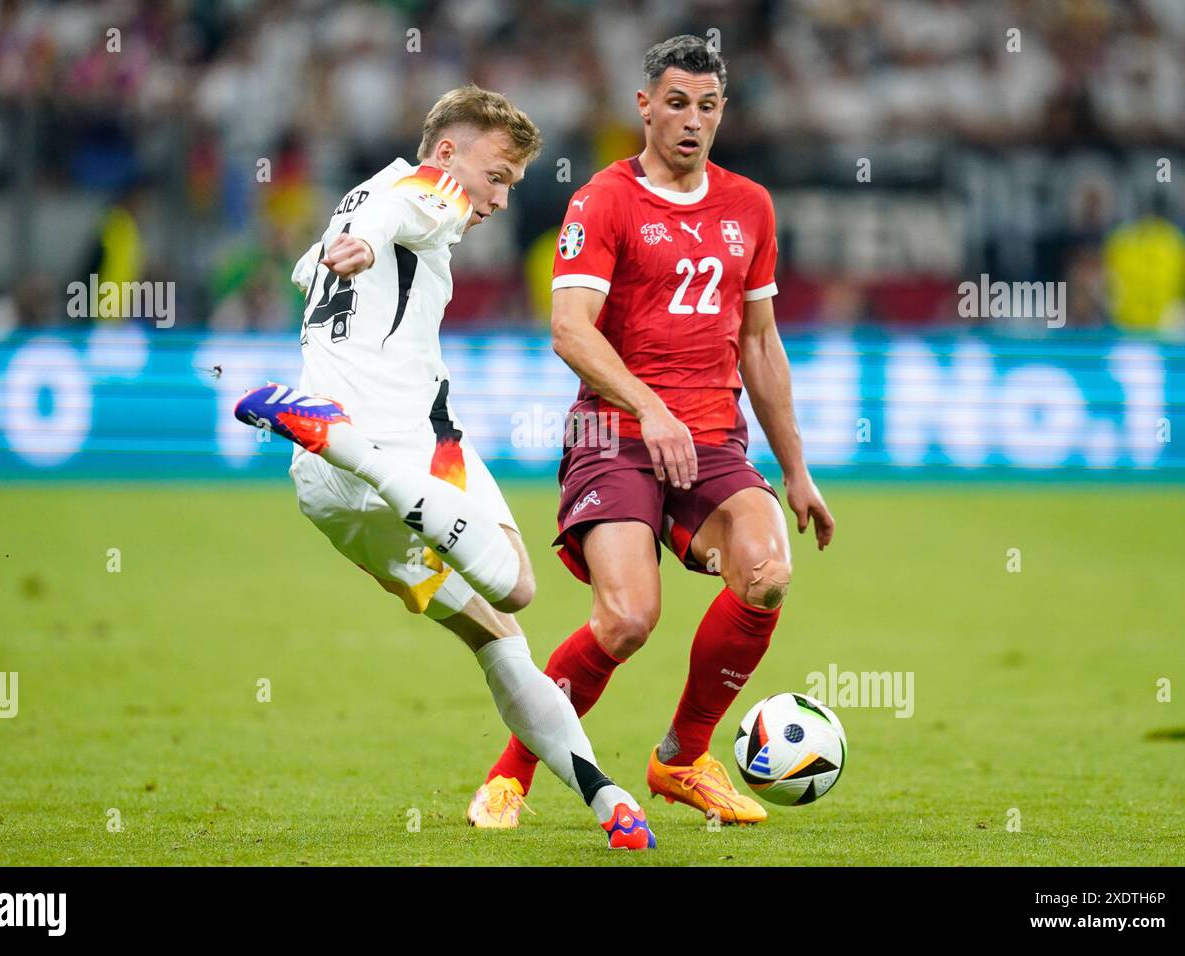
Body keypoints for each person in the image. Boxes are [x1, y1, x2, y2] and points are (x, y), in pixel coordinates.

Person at [232, 85, 654, 850]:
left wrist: (333, 252)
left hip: (325, 495)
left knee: (494, 637)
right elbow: (412, 210)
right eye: (497, 176)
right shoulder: (426, 190)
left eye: (512, 186)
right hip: (399, 444)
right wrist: (367, 238)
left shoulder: (354, 201)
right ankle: (337, 437)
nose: (496, 198)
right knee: (517, 588)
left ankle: (605, 797)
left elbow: (327, 255)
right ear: (450, 152)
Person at [472, 36, 835, 827]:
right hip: (615, 433)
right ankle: (511, 773)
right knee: (629, 619)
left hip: (713, 440)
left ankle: (682, 758)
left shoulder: (750, 206)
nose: (691, 121)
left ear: (722, 113)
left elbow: (762, 344)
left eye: (707, 106)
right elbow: (570, 330)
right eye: (676, 103)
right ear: (644, 106)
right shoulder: (603, 199)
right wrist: (650, 407)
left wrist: (797, 468)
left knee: (768, 572)